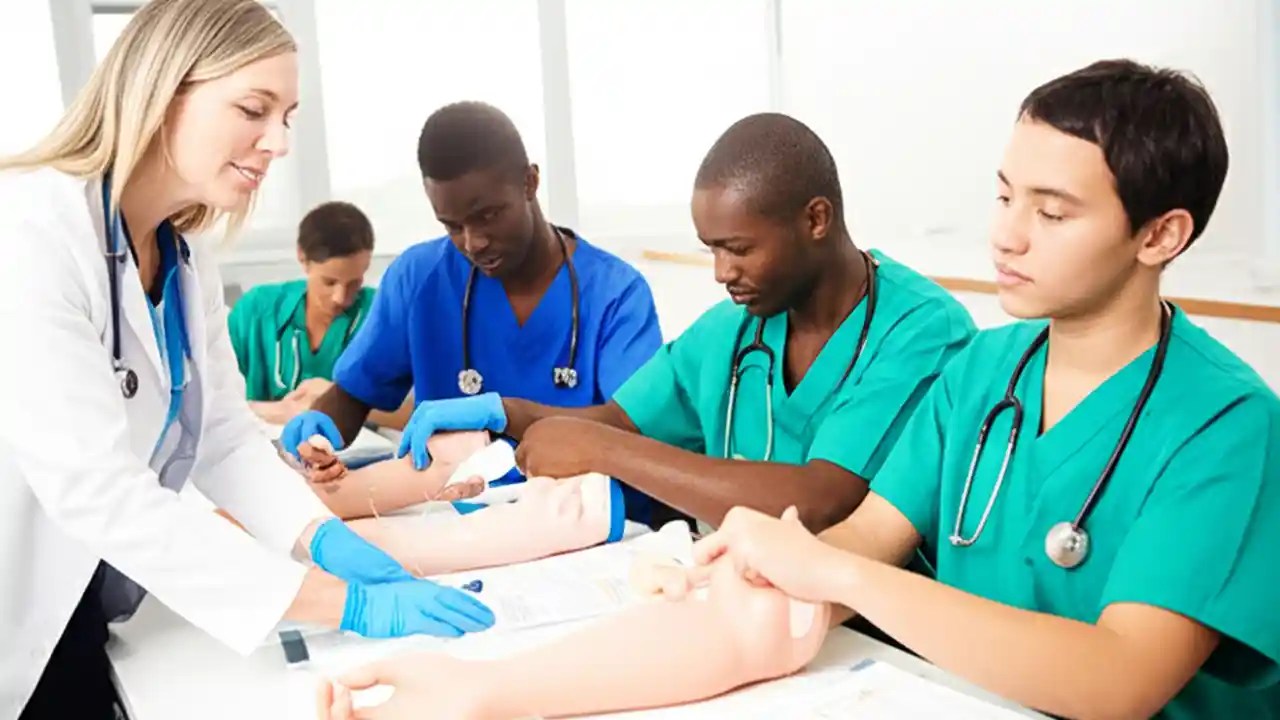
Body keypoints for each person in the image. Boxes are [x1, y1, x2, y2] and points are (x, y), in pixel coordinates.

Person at [662, 61, 1280, 718]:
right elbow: (871, 535)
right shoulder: (981, 372)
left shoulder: (1227, 424)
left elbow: (1119, 679)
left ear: (1160, 235)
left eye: (1050, 212)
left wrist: (836, 575)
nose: (1006, 235)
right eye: (1006, 197)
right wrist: (741, 573)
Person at [0, 2, 491, 717]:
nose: (279, 141)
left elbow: (225, 436)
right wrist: (341, 603)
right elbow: (96, 486)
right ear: (162, 90)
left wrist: (321, 539)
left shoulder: (183, 252)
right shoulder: (29, 232)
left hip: (79, 595)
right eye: (254, 109)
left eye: (287, 116)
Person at [396, 113, 977, 532]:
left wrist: (605, 451)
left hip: (875, 631)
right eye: (711, 250)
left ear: (816, 219)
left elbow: (823, 498)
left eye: (739, 249)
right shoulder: (731, 330)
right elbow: (618, 422)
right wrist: (506, 412)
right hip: (739, 596)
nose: (722, 272)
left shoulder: (921, 329)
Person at [283, 101, 664, 521]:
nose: (473, 242)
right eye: (451, 224)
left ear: (530, 182)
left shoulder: (615, 294)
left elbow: (637, 434)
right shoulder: (419, 277)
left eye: (488, 216)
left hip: (587, 525)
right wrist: (320, 429)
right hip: (457, 522)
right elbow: (356, 393)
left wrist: (505, 412)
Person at [230, 200, 406, 426]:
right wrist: (271, 411)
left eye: (355, 282)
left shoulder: (382, 314)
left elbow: (415, 411)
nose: (340, 298)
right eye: (329, 282)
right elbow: (209, 402)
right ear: (302, 258)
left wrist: (342, 399)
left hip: (355, 456)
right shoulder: (254, 311)